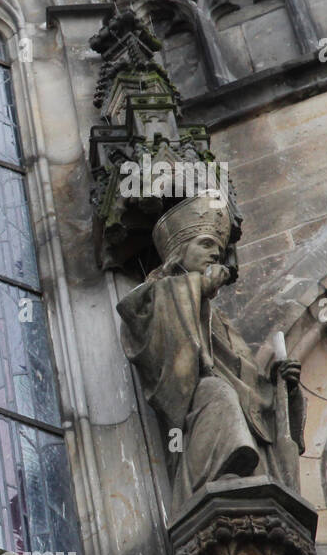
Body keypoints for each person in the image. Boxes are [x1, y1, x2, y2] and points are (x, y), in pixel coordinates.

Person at [117, 193, 304, 507]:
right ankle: (218, 475)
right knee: (217, 392)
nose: (214, 255)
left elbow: (249, 382)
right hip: (202, 402)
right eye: (205, 245)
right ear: (179, 250)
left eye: (218, 252)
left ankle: (252, 480)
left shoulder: (220, 320)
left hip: (236, 413)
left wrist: (280, 383)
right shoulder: (153, 296)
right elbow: (150, 340)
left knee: (229, 396)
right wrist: (198, 288)